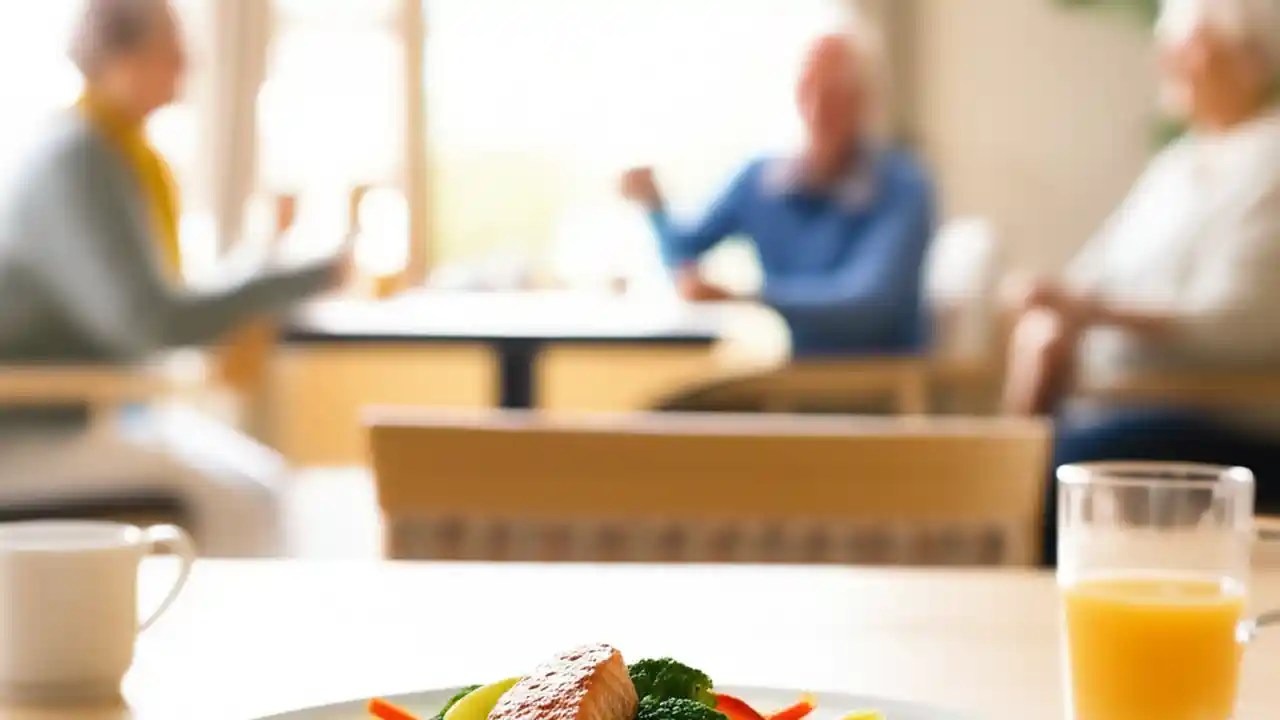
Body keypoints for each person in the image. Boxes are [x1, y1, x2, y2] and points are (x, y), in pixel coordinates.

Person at [0, 0, 344, 555]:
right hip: (32, 426)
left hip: (79, 410)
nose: (190, 62)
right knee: (253, 495)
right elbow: (150, 320)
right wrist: (301, 276)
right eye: (173, 49)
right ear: (121, 57)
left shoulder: (106, 151)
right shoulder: (79, 157)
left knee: (259, 479)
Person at [1001, 0, 1280, 563]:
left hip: (1225, 423)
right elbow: (1085, 280)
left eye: (1193, 41)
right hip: (1118, 406)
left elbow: (1242, 325)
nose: (1170, 56)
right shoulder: (1175, 167)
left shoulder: (1270, 160)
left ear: (1252, 58)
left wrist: (1091, 313)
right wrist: (1049, 313)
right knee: (1015, 464)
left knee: (1056, 470)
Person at [619, 30, 935, 358]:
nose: (817, 110)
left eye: (835, 96)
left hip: (874, 385)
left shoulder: (902, 187)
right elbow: (684, 252)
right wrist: (654, 205)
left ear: (865, 102)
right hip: (783, 379)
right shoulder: (762, 181)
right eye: (809, 90)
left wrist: (747, 299)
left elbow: (868, 306)